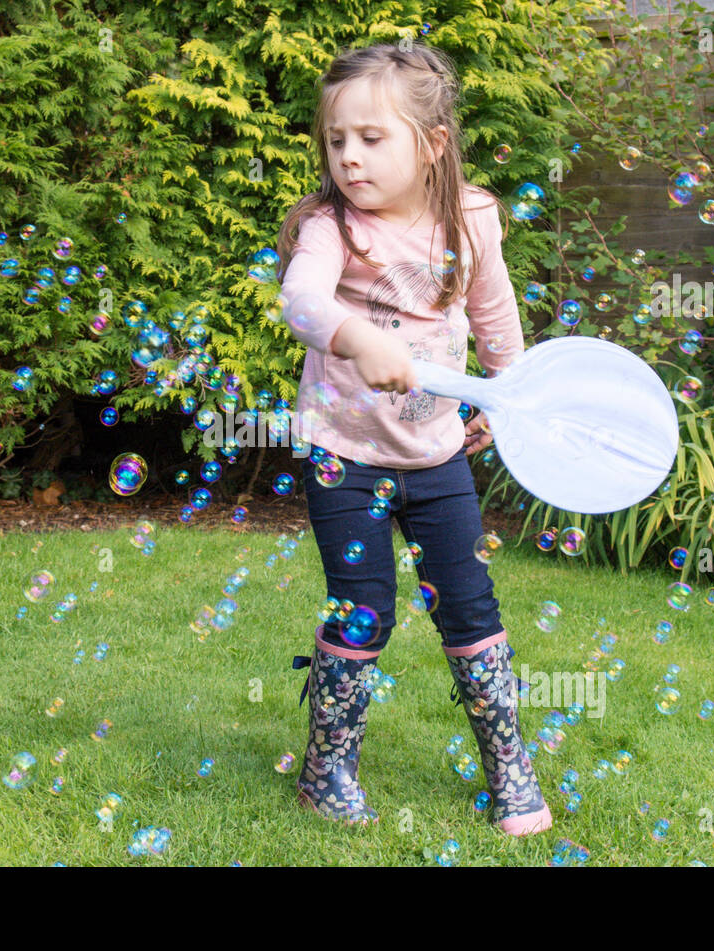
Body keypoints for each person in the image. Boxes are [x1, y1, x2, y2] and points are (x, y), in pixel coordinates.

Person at [274, 42, 551, 836]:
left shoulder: (471, 218)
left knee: (469, 605)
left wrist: (507, 399)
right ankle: (328, 770)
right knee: (363, 608)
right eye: (336, 141)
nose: (350, 158)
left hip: (436, 459)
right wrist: (358, 337)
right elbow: (300, 302)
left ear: (431, 143)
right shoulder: (332, 227)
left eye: (371, 138)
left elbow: (495, 319)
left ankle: (510, 770)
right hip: (344, 454)